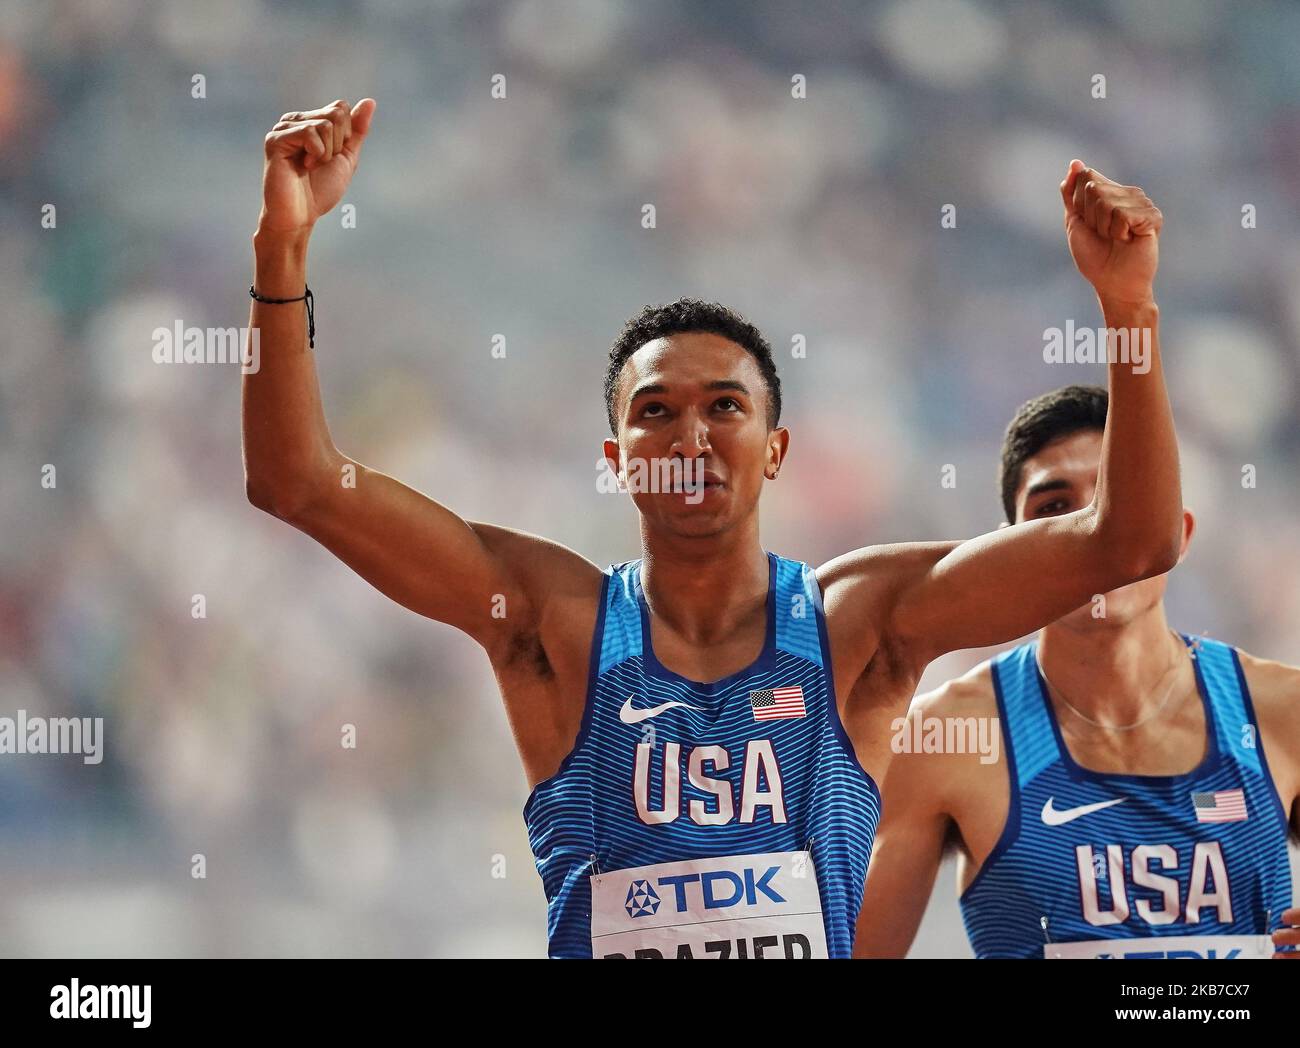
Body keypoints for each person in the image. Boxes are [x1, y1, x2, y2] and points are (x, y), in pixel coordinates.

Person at [244, 98, 1182, 957]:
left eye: (725, 406)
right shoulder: (550, 619)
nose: (691, 434)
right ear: (614, 459)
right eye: (655, 412)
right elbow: (298, 482)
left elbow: (1130, 543)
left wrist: (1128, 309)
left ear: (775, 450)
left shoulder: (862, 622)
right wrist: (282, 250)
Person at [854, 385, 1300, 959]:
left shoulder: (1282, 711)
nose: (1097, 535)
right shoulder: (944, 739)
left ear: (1177, 535)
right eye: (1056, 509)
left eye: (1121, 503)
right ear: (1010, 549)